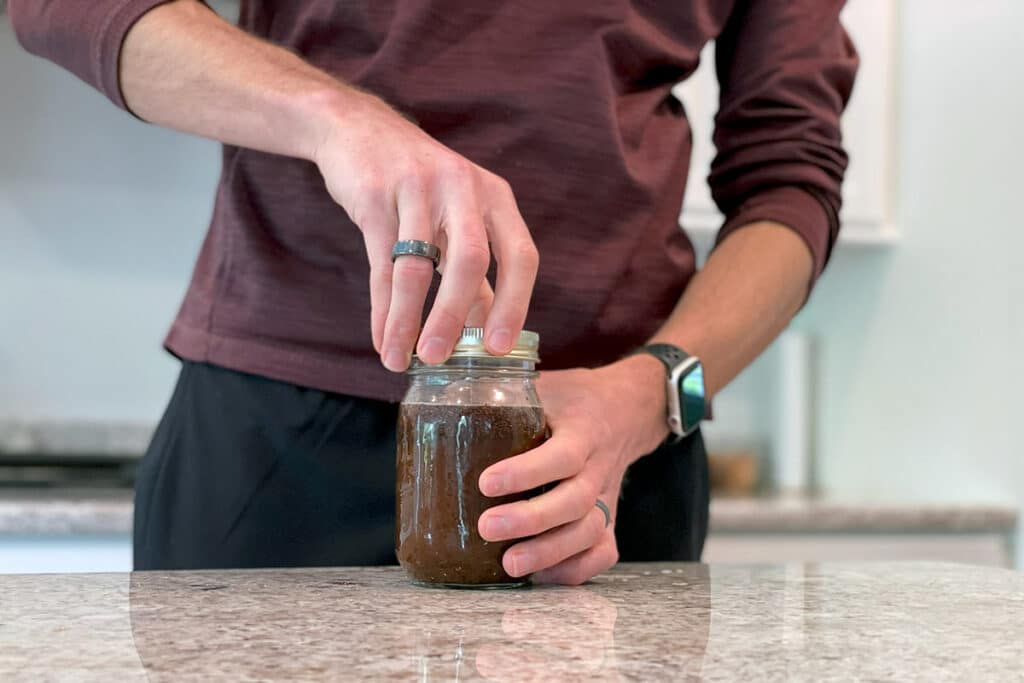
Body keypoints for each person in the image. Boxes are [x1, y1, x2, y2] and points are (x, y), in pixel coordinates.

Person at [9, 1, 857, 583]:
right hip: (282, 440)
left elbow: (791, 181)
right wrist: (335, 117)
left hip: (602, 458)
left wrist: (654, 393)